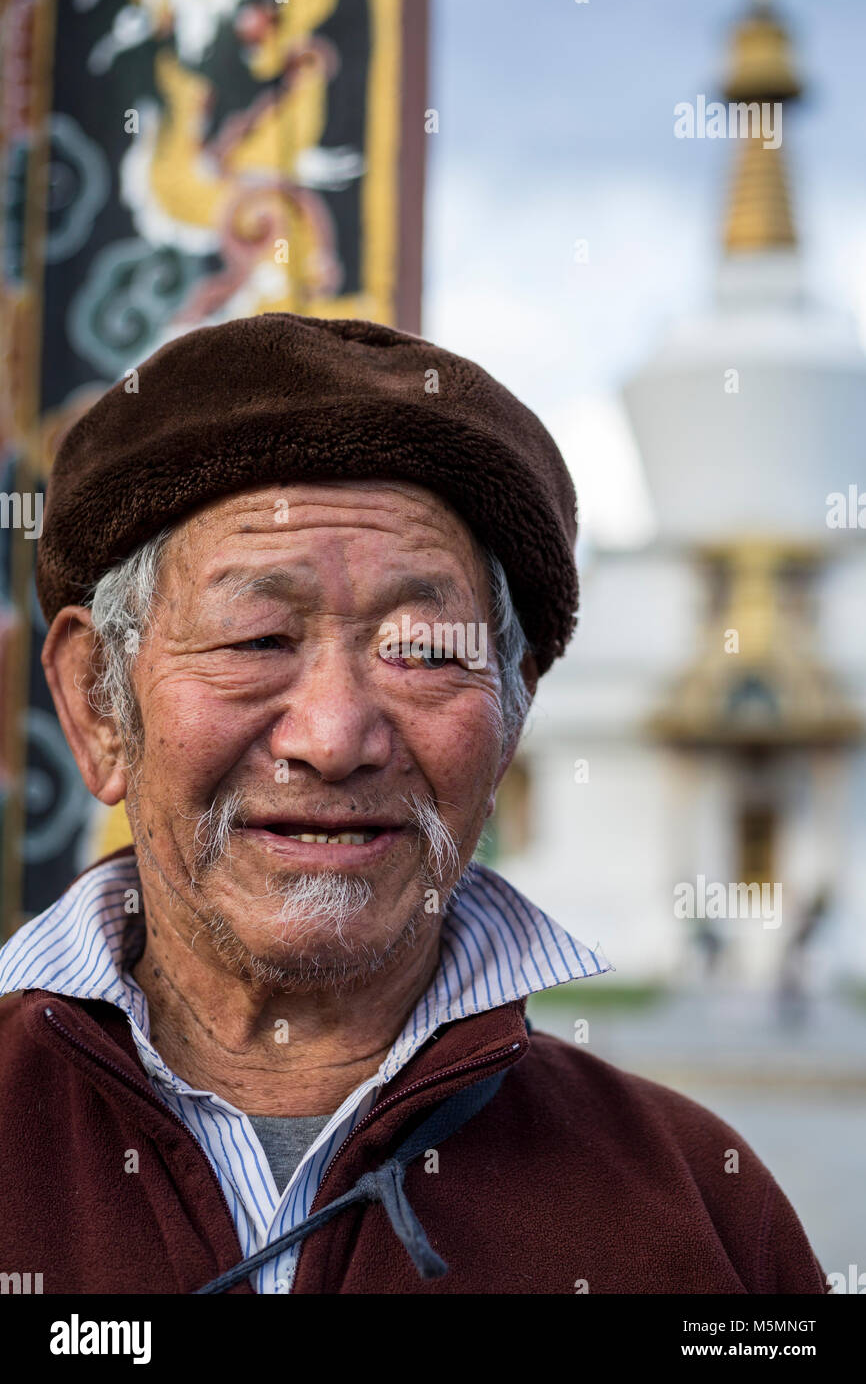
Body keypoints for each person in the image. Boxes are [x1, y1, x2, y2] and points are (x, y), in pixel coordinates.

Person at [0, 313, 827, 1293]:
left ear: (512, 715)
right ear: (99, 703)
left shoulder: (699, 1208)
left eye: (425, 651)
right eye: (255, 638)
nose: (335, 736)